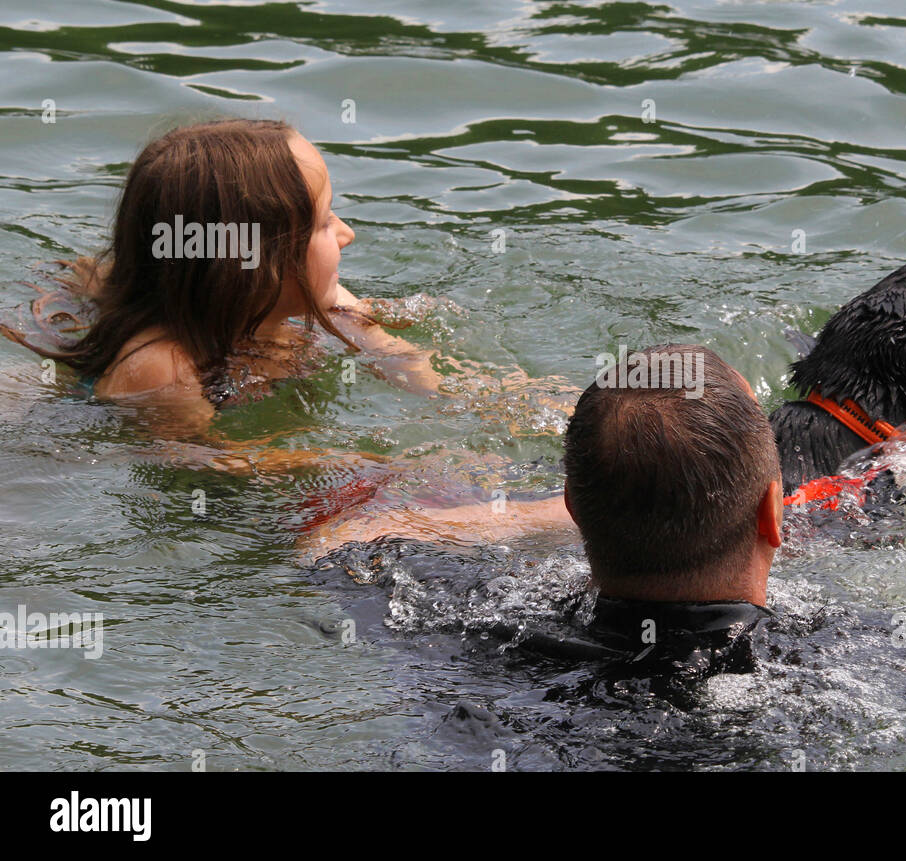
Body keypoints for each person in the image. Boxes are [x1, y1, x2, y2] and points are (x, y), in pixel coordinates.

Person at [1, 118, 569, 451]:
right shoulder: (161, 368)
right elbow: (209, 464)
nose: (348, 234)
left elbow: (409, 367)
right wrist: (371, 466)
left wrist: (506, 402)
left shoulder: (306, 304)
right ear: (252, 262)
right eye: (324, 222)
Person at [303, 344, 786, 659]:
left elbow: (329, 545)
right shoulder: (822, 653)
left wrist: (524, 515)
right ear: (772, 511)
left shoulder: (486, 632)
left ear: (572, 506)